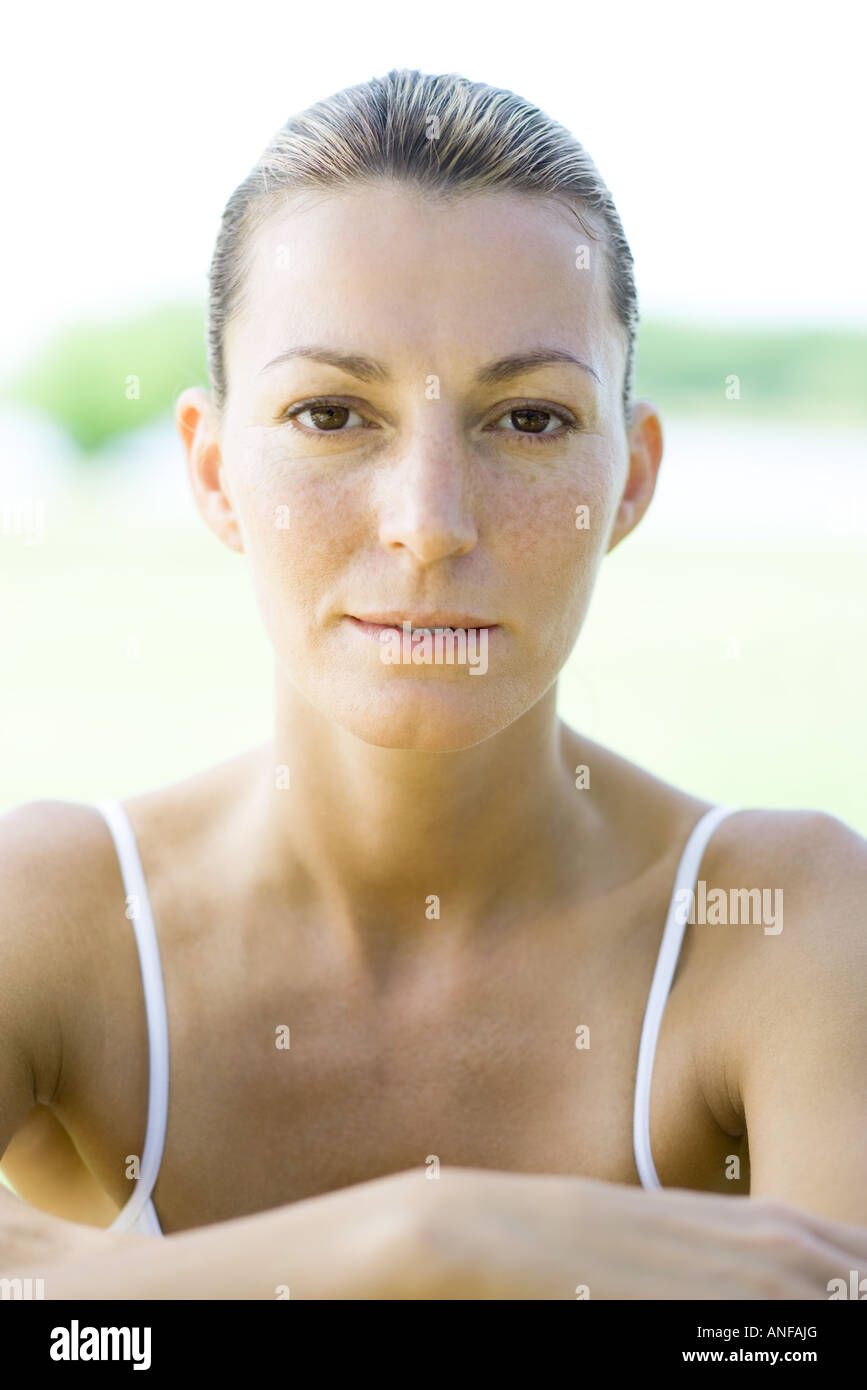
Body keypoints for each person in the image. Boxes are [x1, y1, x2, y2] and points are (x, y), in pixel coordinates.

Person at [2, 68, 865, 1300]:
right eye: (330, 411)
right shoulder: (57, 914)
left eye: (527, 420)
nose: (429, 524)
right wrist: (420, 1241)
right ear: (210, 470)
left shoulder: (789, 922)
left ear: (631, 477)